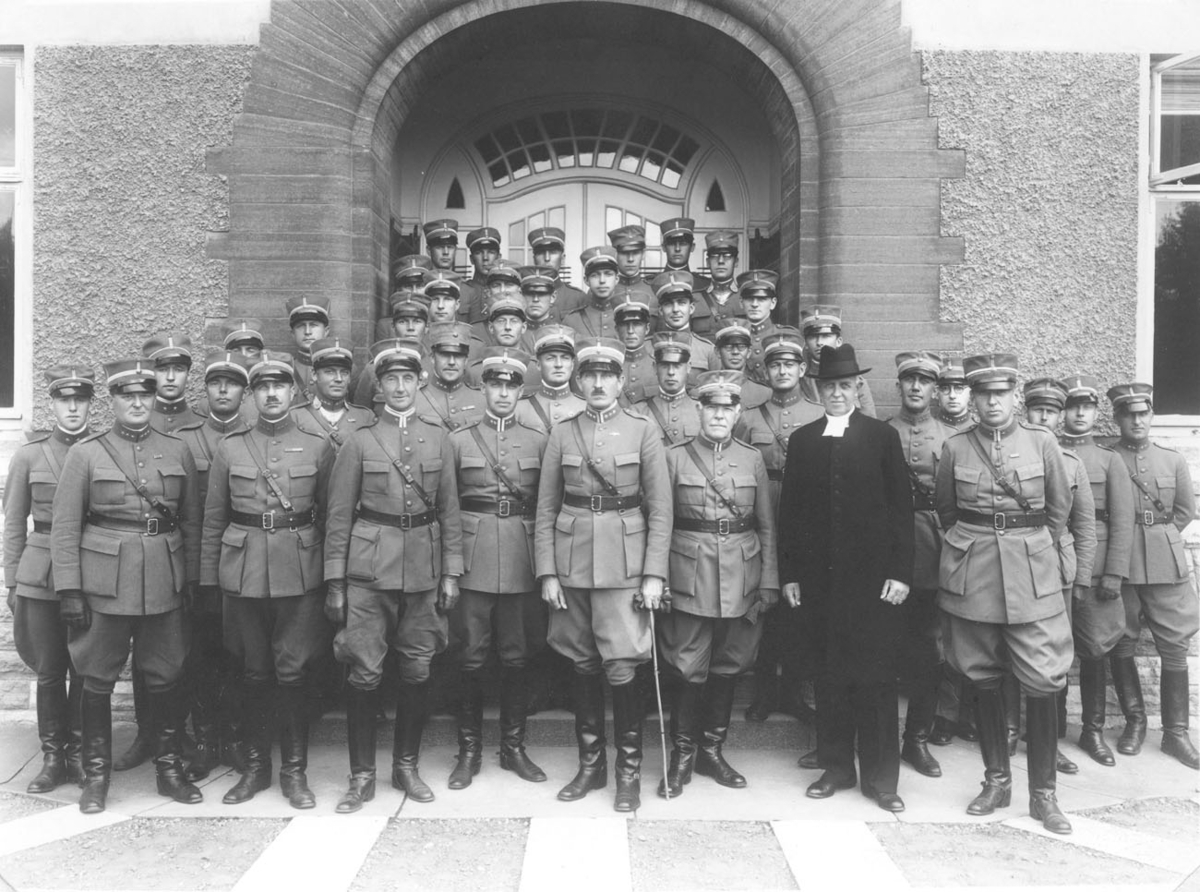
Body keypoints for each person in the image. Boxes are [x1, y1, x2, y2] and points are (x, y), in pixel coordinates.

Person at [52, 359, 203, 814]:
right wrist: (70, 591)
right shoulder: (87, 453)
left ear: (154, 398)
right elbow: (64, 528)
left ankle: (169, 769)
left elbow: (191, 523)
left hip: (164, 581)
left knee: (166, 676)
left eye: (145, 395)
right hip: (104, 585)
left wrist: (191, 582)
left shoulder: (177, 451)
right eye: (127, 395)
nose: (138, 403)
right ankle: (95, 776)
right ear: (112, 401)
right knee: (96, 679)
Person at [935, 353, 1073, 834]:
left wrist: (1030, 549)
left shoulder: (1043, 442)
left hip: (1031, 574)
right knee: (982, 675)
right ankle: (996, 781)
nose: (992, 402)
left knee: (1042, 677)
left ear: (1014, 395)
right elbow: (946, 511)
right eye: (982, 394)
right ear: (972, 399)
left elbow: (1058, 512)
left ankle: (1044, 795)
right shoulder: (955, 447)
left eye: (1000, 393)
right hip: (973, 576)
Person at [323, 338, 463, 810]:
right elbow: (339, 516)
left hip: (424, 569)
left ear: (419, 382)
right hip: (368, 572)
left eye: (408, 378)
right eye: (391, 379)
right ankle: (361, 775)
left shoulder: (438, 437)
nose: (400, 387)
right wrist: (335, 583)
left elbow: (450, 512)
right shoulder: (360, 440)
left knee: (417, 668)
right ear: (378, 387)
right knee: (364, 673)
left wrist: (451, 574)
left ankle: (406, 766)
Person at [535, 336, 672, 812]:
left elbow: (661, 509)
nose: (596, 383)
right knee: (581, 663)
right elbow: (546, 506)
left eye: (606, 376)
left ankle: (627, 772)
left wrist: (654, 573)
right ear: (578, 379)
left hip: (626, 566)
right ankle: (590, 766)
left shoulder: (642, 429)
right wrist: (547, 571)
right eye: (588, 375)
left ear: (619, 381)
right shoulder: (563, 430)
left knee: (621, 665)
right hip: (572, 564)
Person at [778, 344, 913, 813]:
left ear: (858, 387)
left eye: (844, 385)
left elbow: (901, 511)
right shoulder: (803, 440)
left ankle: (881, 779)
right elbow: (790, 514)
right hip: (819, 582)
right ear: (816, 388)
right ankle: (836, 766)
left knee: (875, 679)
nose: (836, 393)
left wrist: (901, 572)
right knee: (829, 674)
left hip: (874, 581)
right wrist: (790, 574)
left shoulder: (881, 437)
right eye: (828, 386)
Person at [200, 350, 335, 810]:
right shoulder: (231, 447)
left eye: (280, 386)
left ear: (294, 392)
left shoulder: (318, 446)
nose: (272, 393)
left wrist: (333, 578)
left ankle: (294, 773)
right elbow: (214, 520)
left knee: (292, 672)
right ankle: (257, 768)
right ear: (253, 395)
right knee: (254, 672)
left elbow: (333, 517)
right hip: (243, 574)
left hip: (300, 572)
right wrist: (208, 583)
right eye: (262, 387)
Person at [657, 370, 777, 797]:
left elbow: (765, 525)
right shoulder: (674, 456)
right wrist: (660, 578)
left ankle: (712, 751)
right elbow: (662, 523)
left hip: (743, 575)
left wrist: (769, 582)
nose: (719, 415)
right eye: (712, 407)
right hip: (689, 572)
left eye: (727, 408)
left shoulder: (751, 458)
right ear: (699, 410)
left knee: (730, 664)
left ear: (738, 412)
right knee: (689, 665)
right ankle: (682, 755)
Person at [446, 347, 548, 790]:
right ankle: (468, 750)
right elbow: (447, 509)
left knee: (517, 654)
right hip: (473, 558)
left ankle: (513, 747)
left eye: (511, 386)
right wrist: (450, 567)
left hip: (522, 558)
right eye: (495, 384)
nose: (503, 392)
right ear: (484, 388)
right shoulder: (459, 440)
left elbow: (547, 509)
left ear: (520, 391)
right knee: (469, 655)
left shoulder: (539, 441)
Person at [5, 365, 94, 793]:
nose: (73, 407)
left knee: (84, 666)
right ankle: (53, 756)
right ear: (52, 404)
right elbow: (13, 523)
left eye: (80, 400)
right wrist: (11, 581)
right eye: (65, 400)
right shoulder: (30, 454)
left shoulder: (102, 449)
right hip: (40, 576)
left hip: (90, 569)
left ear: (91, 404)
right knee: (48, 670)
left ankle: (78, 754)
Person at [1105, 382, 1198, 769]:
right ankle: (1135, 723)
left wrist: (1158, 537)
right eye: (1129, 414)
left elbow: (1184, 511)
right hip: (1121, 565)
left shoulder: (1172, 460)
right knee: (1121, 641)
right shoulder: (1109, 459)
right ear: (1118, 419)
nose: (1137, 420)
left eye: (1143, 413)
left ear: (1152, 416)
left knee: (1174, 644)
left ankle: (1176, 733)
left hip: (1164, 563)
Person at [736, 327, 822, 727]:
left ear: (802, 368)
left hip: (804, 515)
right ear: (766, 371)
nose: (783, 371)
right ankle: (764, 691)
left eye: (790, 364)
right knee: (764, 601)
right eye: (775, 364)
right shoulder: (750, 417)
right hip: (760, 510)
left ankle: (796, 691)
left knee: (800, 605)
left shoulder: (819, 416)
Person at [175, 351, 253, 780]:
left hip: (245, 563)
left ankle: (237, 738)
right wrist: (195, 575)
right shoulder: (186, 440)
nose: (223, 390)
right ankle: (205, 741)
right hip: (201, 565)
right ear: (204, 390)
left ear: (245, 391)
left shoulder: (255, 437)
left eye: (232, 383)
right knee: (201, 656)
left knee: (241, 656)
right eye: (215, 383)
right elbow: (185, 513)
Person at [1021, 378, 1097, 777]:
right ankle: (1009, 728)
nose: (1045, 416)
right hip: (1015, 567)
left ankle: (1051, 739)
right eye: (1037, 409)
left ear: (1061, 415)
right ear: (1026, 412)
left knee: (1055, 656)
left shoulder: (1072, 463)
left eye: (1052, 410)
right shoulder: (1010, 455)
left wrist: (1082, 576)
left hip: (1056, 569)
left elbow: (1084, 526)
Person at [1058, 374, 1133, 766]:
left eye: (1087, 406)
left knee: (1095, 651)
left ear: (1096, 411)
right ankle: (1051, 731)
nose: (1080, 413)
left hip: (1098, 567)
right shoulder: (1048, 451)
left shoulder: (1109, 459)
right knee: (1051, 649)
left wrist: (1114, 575)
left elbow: (1122, 520)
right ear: (1063, 412)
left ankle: (1092, 731)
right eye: (1073, 406)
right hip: (1055, 567)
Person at [886, 350, 954, 780]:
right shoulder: (878, 432)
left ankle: (917, 740)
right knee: (878, 646)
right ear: (898, 385)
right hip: (885, 546)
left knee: (928, 649)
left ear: (934, 389)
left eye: (924, 381)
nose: (915, 387)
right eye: (909, 379)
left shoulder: (950, 437)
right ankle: (872, 737)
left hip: (932, 548)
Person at [929, 353, 978, 746]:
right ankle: (944, 714)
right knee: (941, 633)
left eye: (959, 388)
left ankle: (973, 713)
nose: (951, 395)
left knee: (975, 632)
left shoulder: (979, 437)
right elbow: (944, 506)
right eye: (944, 388)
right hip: (941, 542)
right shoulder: (926, 430)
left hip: (978, 549)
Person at [292, 337, 375, 449]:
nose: (339, 379)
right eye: (330, 372)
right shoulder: (295, 417)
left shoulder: (365, 417)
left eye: (344, 373)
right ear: (314, 375)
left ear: (350, 378)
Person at [798, 305, 877, 417]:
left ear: (839, 341)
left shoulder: (857, 382)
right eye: (812, 337)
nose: (819, 342)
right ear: (805, 343)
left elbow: (870, 419)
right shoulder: (800, 381)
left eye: (826, 336)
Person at [356, 292, 430, 411]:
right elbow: (362, 413)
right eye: (402, 322)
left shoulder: (436, 366)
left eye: (417, 321)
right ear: (393, 327)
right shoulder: (373, 369)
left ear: (427, 327)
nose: (410, 327)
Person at [635, 332, 701, 446]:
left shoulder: (702, 411)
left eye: (677, 366)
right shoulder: (638, 412)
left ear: (689, 367)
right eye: (664, 365)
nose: (671, 372)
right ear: (655, 367)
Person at [417, 322, 486, 431]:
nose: (452, 362)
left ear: (466, 360)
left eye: (458, 356)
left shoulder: (482, 400)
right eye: (445, 355)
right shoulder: (415, 400)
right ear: (432, 358)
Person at [651, 271, 720, 377]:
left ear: (691, 308)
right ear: (660, 310)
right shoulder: (649, 348)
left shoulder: (708, 350)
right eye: (668, 304)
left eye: (681, 303)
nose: (675, 309)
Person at [516, 325, 586, 431]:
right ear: (538, 365)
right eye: (550, 358)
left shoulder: (585, 407)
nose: (558, 364)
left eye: (565, 358)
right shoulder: (519, 409)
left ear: (572, 365)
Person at [660, 217, 711, 327]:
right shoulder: (652, 286)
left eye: (683, 243)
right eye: (672, 243)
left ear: (692, 247)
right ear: (664, 247)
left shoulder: (705, 286)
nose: (677, 249)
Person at [563, 247, 623, 340]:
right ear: (586, 280)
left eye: (608, 274)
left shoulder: (627, 318)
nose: (602, 281)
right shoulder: (572, 321)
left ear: (616, 279)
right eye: (595, 275)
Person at [528, 227, 587, 319]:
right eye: (540, 253)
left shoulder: (578, 297)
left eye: (552, 252)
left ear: (562, 258)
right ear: (534, 259)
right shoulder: (525, 295)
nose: (547, 258)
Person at [691, 232, 742, 338]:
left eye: (727, 256)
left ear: (736, 262)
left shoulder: (747, 297)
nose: (720, 261)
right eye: (714, 256)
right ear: (708, 262)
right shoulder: (694, 299)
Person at [285, 297, 332, 405]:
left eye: (313, 325)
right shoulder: (287, 370)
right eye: (301, 326)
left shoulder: (347, 370)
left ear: (326, 331)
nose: (307, 332)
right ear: (293, 334)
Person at [714, 318, 771, 406]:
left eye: (741, 347)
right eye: (728, 347)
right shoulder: (704, 391)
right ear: (717, 352)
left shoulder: (765, 393)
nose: (735, 352)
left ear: (748, 352)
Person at [616, 290, 657, 406]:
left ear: (647, 328)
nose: (630, 331)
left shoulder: (658, 367)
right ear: (616, 329)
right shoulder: (610, 367)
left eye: (637, 324)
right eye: (624, 325)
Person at [738, 271, 779, 386]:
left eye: (761, 299)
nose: (755, 304)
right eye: (749, 299)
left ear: (773, 303)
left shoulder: (783, 336)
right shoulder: (734, 337)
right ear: (741, 303)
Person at [463, 227, 502, 326]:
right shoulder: (463, 290)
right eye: (479, 253)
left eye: (491, 252)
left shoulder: (506, 291)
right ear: (472, 259)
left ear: (499, 258)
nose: (485, 258)